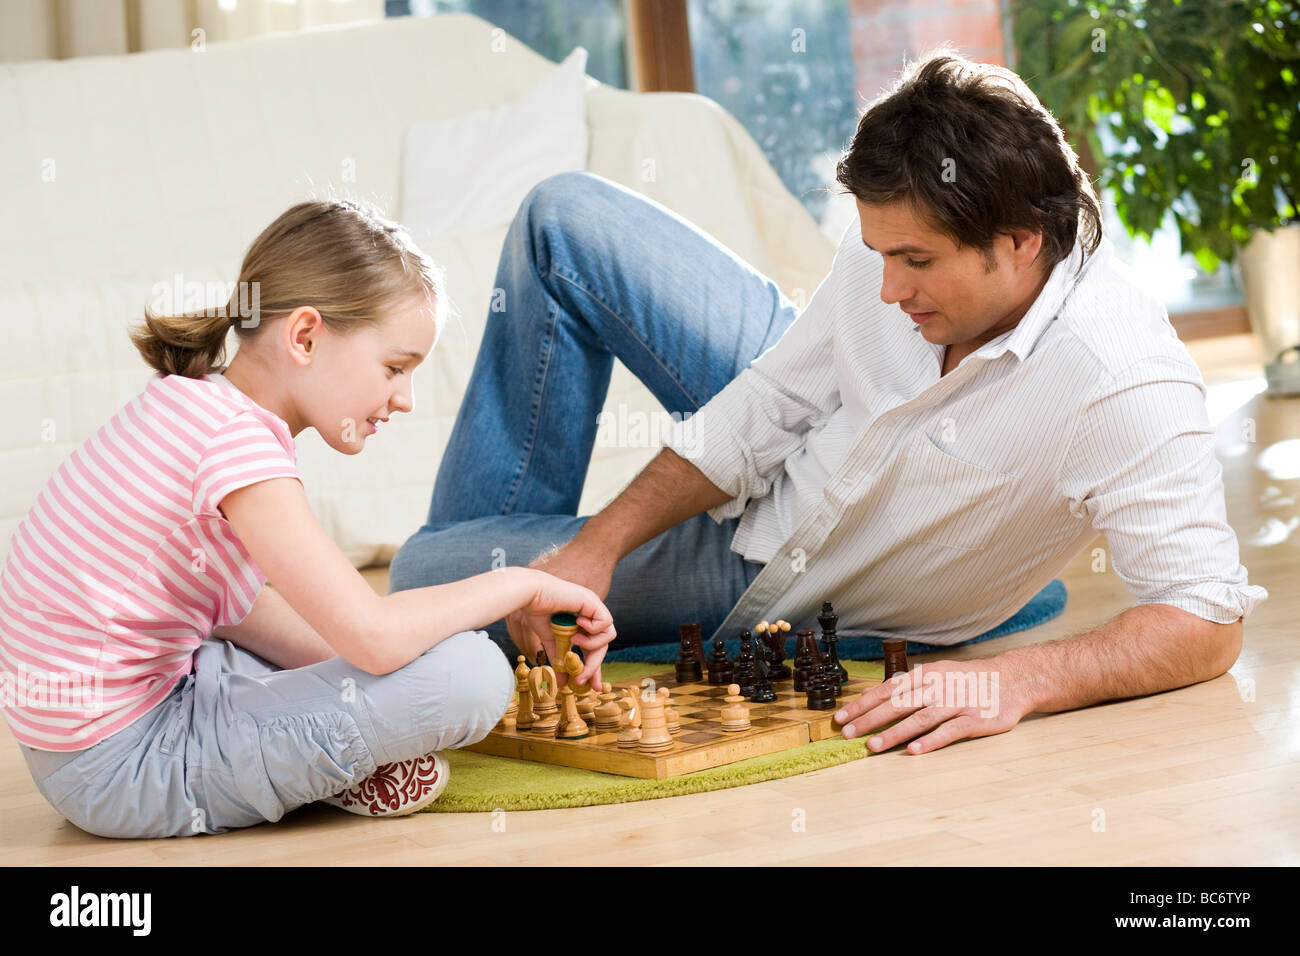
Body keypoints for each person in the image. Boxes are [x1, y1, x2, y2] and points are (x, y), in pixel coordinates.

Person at [390, 53, 1266, 756]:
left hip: (787, 557)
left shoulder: (1123, 379)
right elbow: (773, 394)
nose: (885, 287)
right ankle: (506, 597)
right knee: (564, 216)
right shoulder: (907, 241)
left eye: (916, 262)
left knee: (423, 578)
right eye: (875, 250)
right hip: (815, 399)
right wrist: (592, 549)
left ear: (1022, 242)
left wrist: (1015, 682)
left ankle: (481, 600)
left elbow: (1205, 618)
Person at [0, 199, 616, 838]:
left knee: (400, 654)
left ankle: (320, 748)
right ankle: (326, 767)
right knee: (475, 675)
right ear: (304, 336)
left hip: (90, 735)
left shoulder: (195, 402)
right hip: (120, 767)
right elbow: (372, 637)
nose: (403, 399)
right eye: (395, 368)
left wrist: (382, 658)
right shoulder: (237, 446)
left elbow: (246, 613)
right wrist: (526, 582)